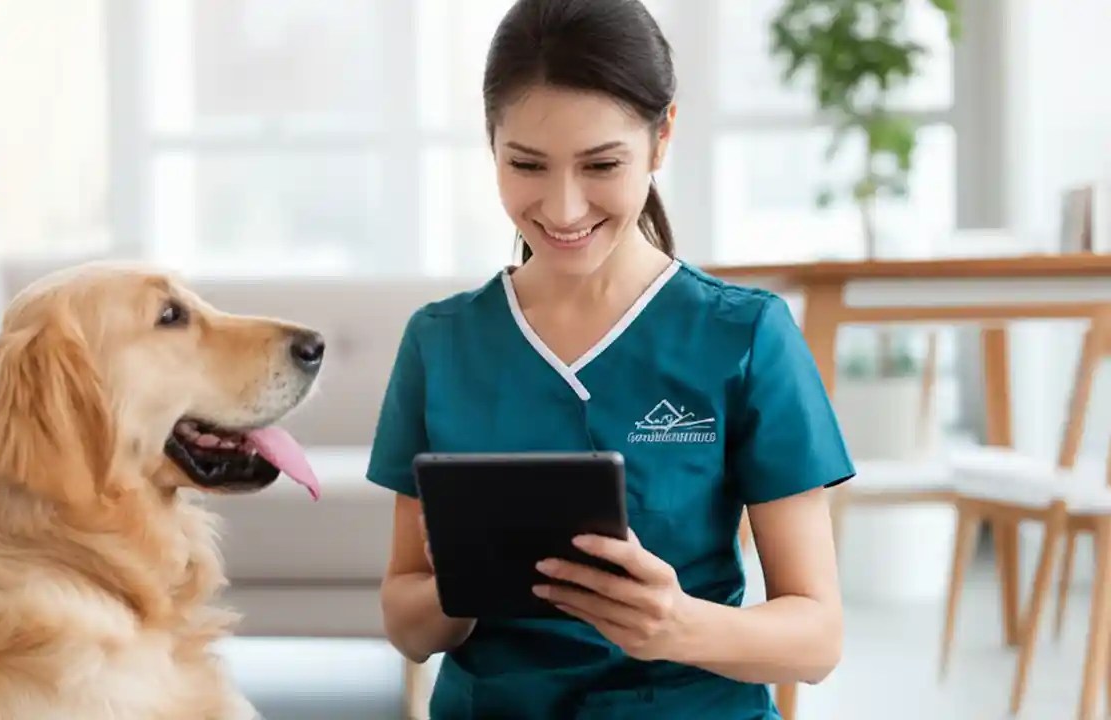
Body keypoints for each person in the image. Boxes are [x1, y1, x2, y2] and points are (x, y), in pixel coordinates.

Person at [365, 0, 854, 716]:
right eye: (526, 165)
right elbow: (407, 626)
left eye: (601, 165)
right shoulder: (440, 343)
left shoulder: (746, 334)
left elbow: (816, 638)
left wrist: (678, 626)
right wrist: (458, 584)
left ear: (661, 140)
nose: (563, 209)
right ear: (490, 142)